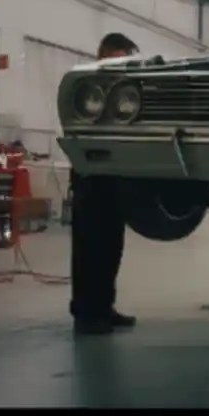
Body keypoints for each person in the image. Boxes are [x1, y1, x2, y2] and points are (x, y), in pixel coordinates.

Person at [68, 32, 139, 335]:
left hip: (115, 175)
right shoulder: (88, 89)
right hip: (91, 175)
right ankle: (86, 313)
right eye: (114, 57)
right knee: (89, 247)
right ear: (103, 56)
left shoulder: (124, 92)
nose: (118, 64)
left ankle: (104, 307)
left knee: (112, 246)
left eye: (124, 59)